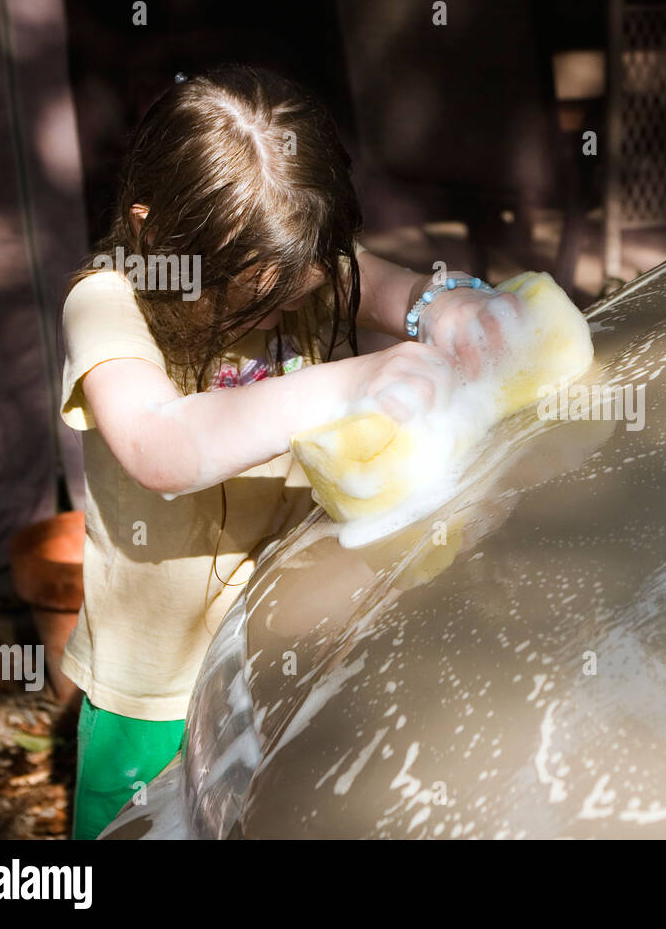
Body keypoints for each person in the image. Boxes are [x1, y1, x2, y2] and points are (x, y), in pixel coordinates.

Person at [59, 65, 515, 838]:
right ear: (149, 230)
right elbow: (162, 447)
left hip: (291, 641)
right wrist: (350, 383)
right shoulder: (108, 302)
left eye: (302, 289)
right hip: (158, 691)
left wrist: (446, 306)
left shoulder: (302, 265)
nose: (295, 300)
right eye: (254, 295)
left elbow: (389, 287)